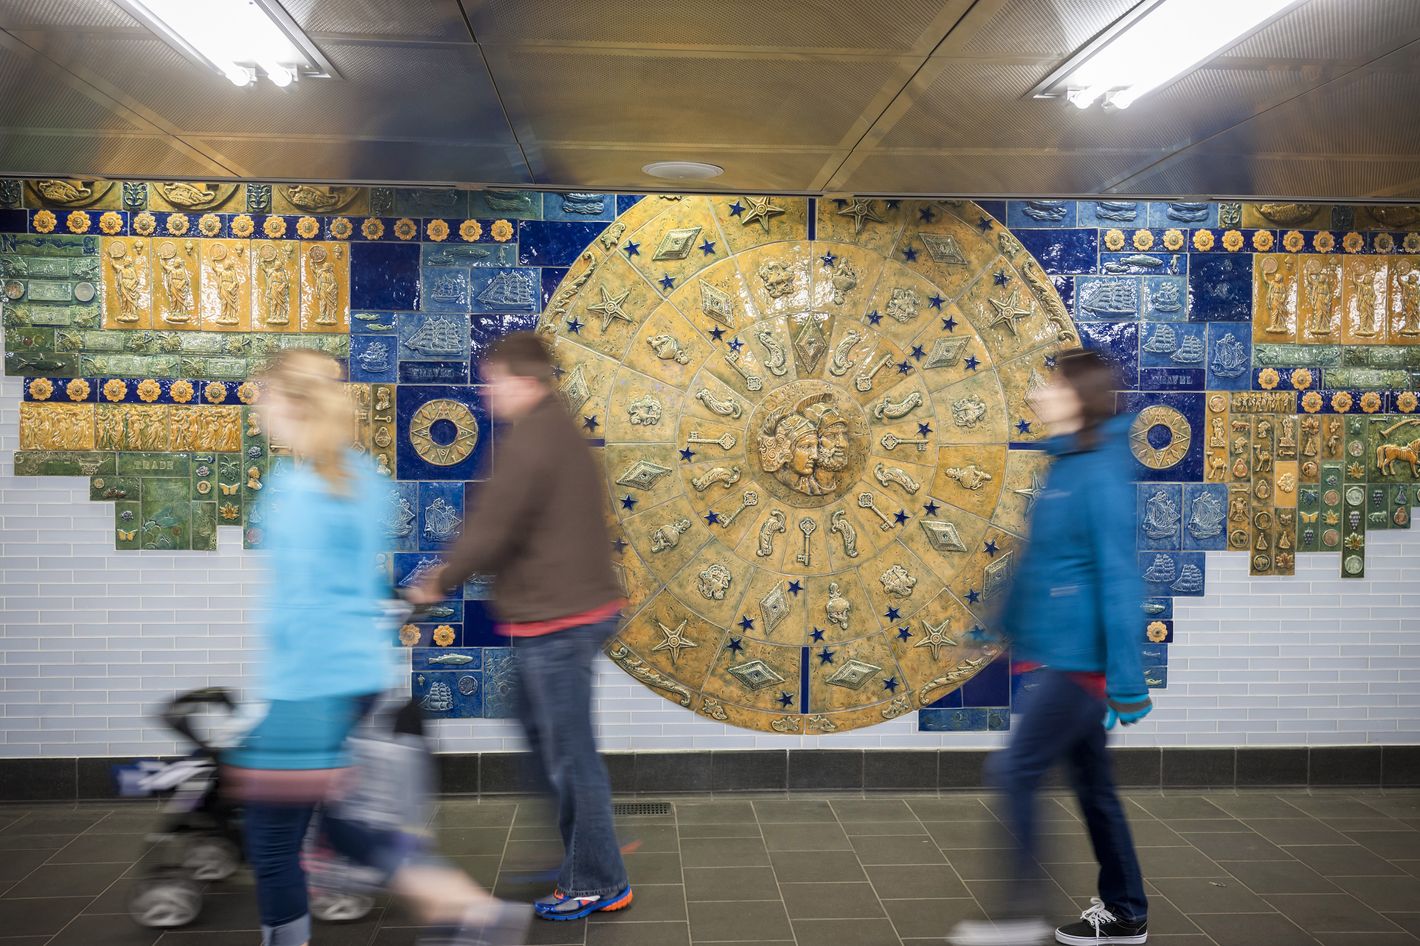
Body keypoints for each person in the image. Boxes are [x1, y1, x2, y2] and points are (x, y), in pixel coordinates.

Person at [227, 349, 528, 946]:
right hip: (355, 679)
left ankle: (470, 914)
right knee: (341, 826)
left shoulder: (298, 491)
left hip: (307, 689)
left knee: (274, 840)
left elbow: (303, 608)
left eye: (264, 396)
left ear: (292, 404)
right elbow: (357, 585)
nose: (258, 409)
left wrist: (273, 715)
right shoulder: (361, 477)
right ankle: (473, 914)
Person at [407, 332, 632, 922]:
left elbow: (492, 528)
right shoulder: (557, 432)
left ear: (525, 380)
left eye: (494, 381)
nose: (487, 393)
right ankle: (585, 853)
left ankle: (597, 879)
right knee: (545, 740)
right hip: (566, 616)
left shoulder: (531, 441)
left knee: (568, 757)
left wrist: (437, 580)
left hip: (559, 622)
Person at [948, 350, 1153, 946]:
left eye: (1051, 386)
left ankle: (1020, 916)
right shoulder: (1068, 465)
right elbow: (1038, 562)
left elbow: (1118, 578)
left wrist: (1127, 680)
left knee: (1014, 769)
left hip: (1082, 664)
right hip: (1069, 654)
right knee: (1094, 787)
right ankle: (1126, 912)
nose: (1039, 395)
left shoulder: (1098, 474)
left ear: (1079, 397)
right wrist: (998, 626)